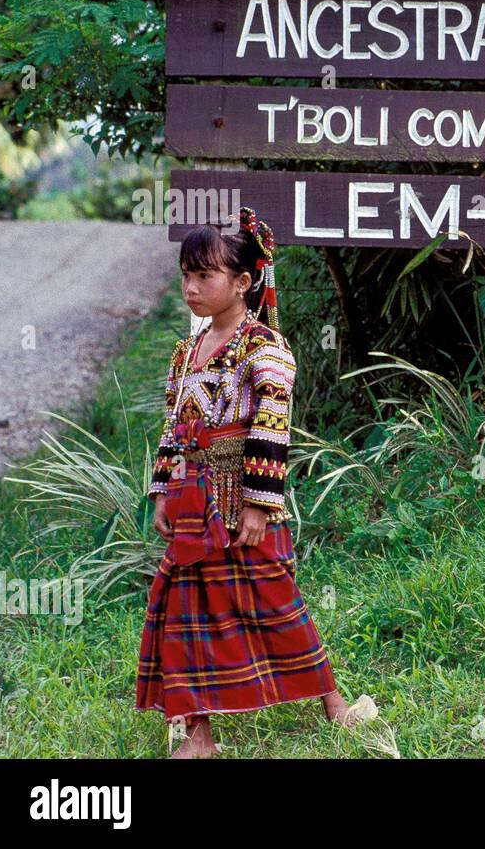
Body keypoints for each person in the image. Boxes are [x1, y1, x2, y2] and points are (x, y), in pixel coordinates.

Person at [137, 206, 376, 757]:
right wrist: (162, 492)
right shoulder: (185, 353)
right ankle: (199, 735)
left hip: (241, 500)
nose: (191, 287)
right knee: (186, 610)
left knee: (274, 597)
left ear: (243, 282)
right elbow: (174, 429)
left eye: (205, 276)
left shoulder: (265, 346)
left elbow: (273, 426)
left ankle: (335, 705)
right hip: (193, 502)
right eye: (186, 275)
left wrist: (258, 504)